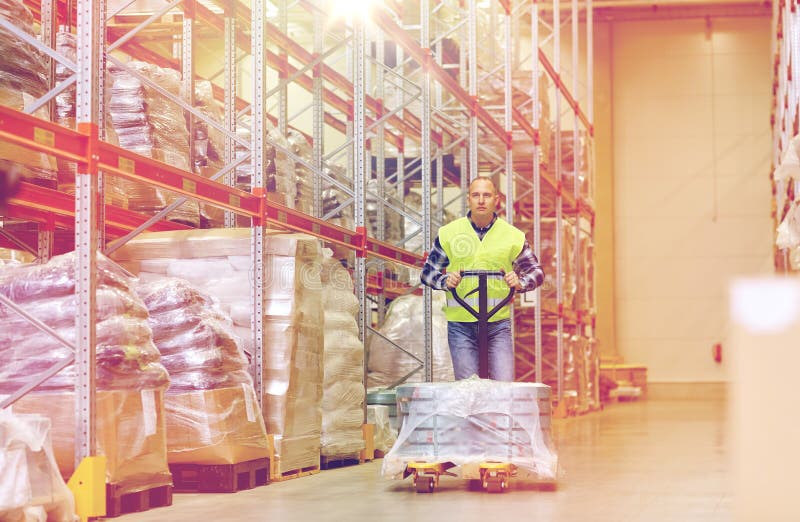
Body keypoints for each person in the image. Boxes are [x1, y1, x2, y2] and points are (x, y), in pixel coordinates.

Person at [420, 176, 544, 381]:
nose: (481, 200)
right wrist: (444, 281)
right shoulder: (449, 233)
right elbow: (427, 273)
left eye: (486, 195)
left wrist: (520, 282)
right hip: (461, 325)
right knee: (469, 388)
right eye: (476, 195)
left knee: (504, 386)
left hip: (497, 324)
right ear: (468, 199)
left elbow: (536, 272)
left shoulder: (512, 236)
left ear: (496, 200)